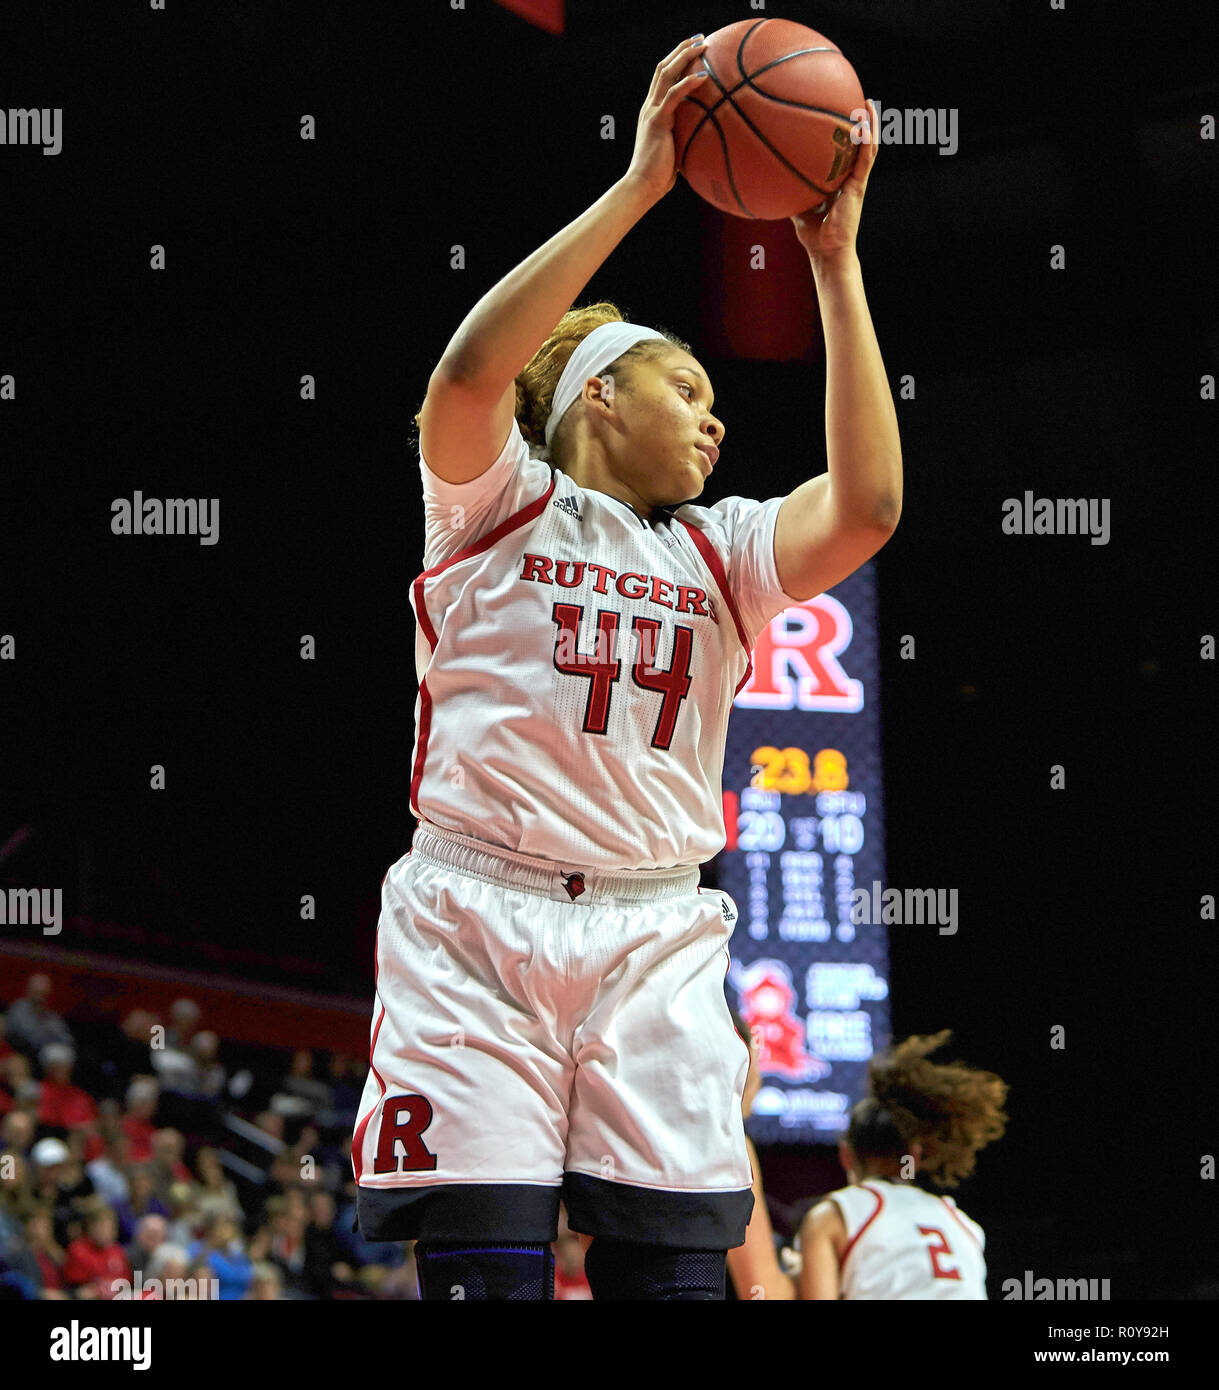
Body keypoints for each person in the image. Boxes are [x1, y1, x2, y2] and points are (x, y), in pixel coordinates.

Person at [351, 34, 898, 1302]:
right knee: (484, 1274)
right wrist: (644, 184)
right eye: (686, 386)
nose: (714, 417)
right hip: (476, 916)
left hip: (654, 929)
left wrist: (834, 261)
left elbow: (867, 505)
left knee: (676, 1281)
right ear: (597, 397)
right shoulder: (492, 502)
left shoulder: (724, 549)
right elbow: (468, 372)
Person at [729, 1030, 1008, 1299]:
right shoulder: (966, 1226)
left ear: (846, 1155)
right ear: (915, 1154)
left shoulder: (835, 1215)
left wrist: (806, 1276)